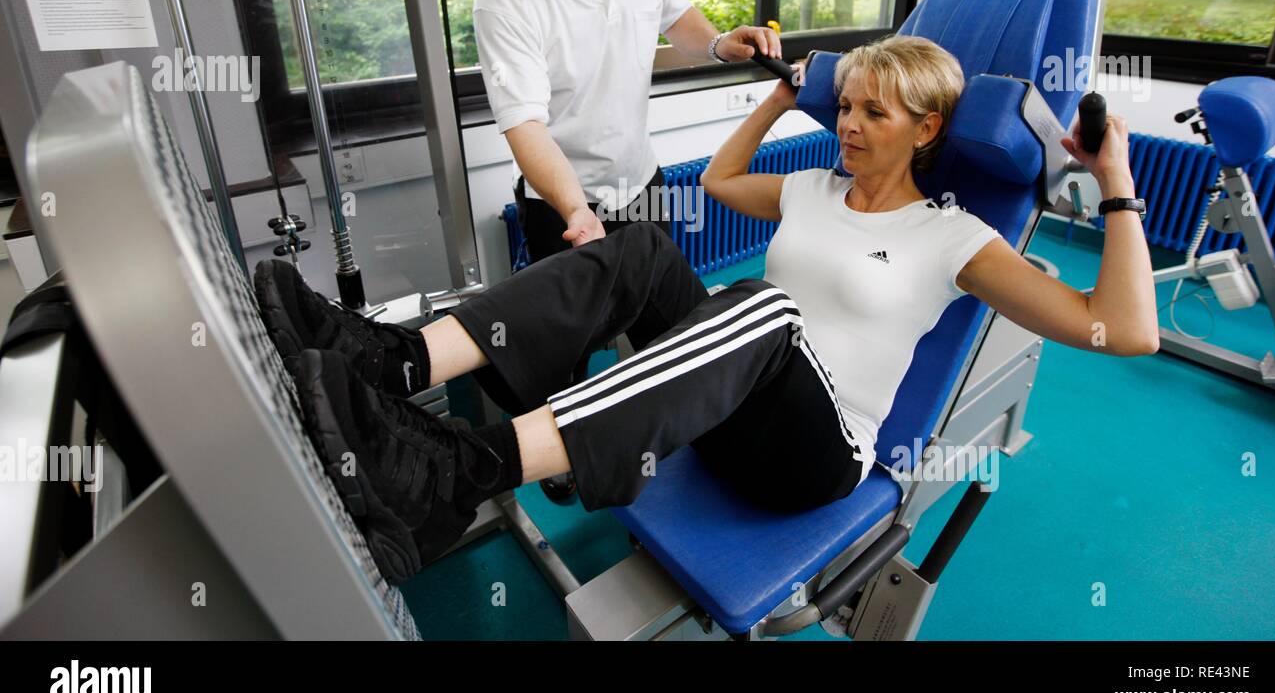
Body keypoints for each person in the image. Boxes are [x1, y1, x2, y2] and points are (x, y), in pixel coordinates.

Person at [255, 35, 1158, 585]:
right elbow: (723, 180)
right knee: (642, 246)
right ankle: (395, 362)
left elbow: (1120, 329)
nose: (846, 125)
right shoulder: (810, 185)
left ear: (926, 129)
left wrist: (1114, 182)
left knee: (764, 308)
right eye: (843, 106)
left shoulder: (954, 237)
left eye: (871, 113)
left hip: (814, 455)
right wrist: (782, 94)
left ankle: (455, 471)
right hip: (724, 403)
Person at [474, 0, 782, 498]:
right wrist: (577, 212)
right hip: (560, 205)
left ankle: (675, 442)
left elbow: (677, 18)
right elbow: (526, 129)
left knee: (669, 339)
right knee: (564, 354)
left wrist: (720, 43)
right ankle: (560, 467)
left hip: (644, 188)